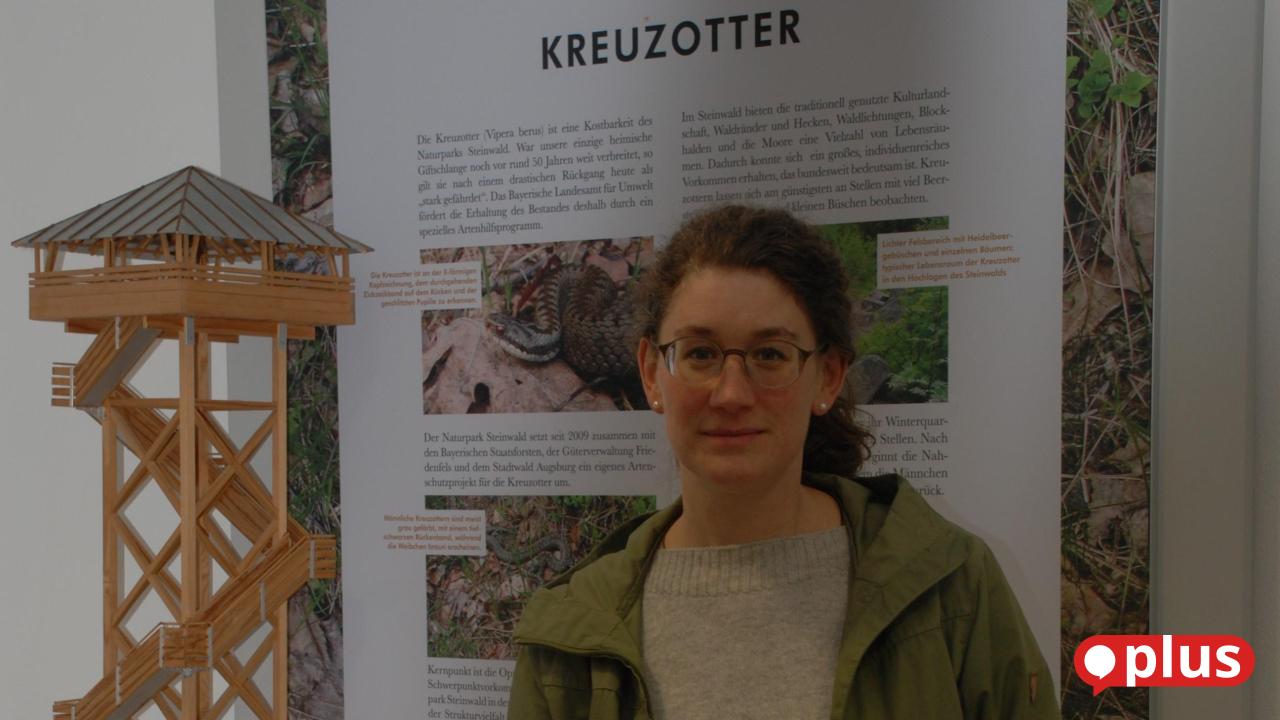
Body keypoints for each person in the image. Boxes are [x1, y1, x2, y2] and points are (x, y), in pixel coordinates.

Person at [508, 205, 1057, 719]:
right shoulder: (569, 636)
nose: (730, 394)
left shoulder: (951, 589)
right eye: (700, 353)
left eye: (770, 354)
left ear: (828, 377)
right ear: (653, 373)